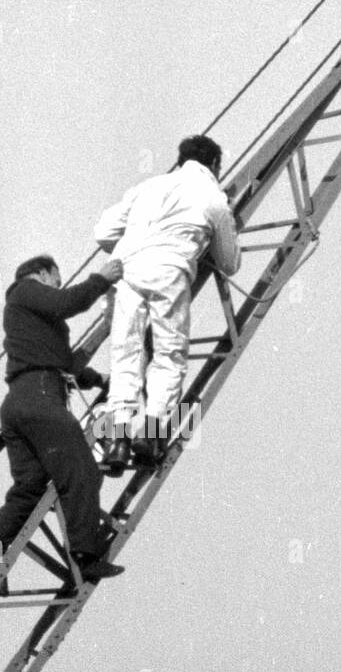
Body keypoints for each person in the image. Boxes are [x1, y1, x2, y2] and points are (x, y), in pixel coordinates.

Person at [93, 135, 241, 472]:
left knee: (125, 355)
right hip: (170, 273)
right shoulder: (213, 198)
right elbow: (229, 262)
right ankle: (152, 430)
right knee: (169, 355)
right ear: (215, 165)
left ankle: (115, 439)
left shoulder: (149, 186)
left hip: (126, 271)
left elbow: (103, 232)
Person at [0, 253, 125, 583]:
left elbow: (64, 365)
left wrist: (99, 374)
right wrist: (101, 279)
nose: (58, 287)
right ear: (42, 274)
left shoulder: (32, 324)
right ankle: (86, 554)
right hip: (40, 398)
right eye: (56, 280)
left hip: (24, 400)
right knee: (81, 470)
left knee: (27, 490)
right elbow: (66, 303)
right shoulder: (24, 290)